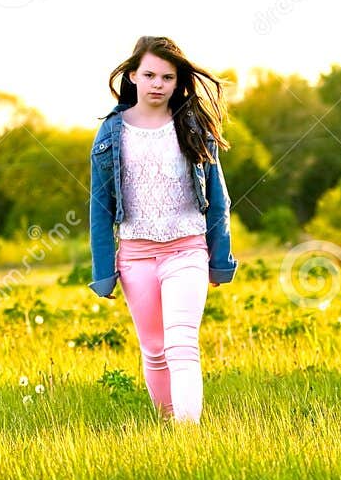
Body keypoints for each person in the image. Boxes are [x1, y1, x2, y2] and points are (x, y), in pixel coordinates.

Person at [88, 35, 238, 425]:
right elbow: (100, 208)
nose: (158, 84)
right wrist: (103, 271)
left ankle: (189, 435)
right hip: (136, 257)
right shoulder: (110, 134)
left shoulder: (192, 126)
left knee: (182, 344)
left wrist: (219, 260)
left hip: (187, 251)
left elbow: (218, 201)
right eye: (150, 74)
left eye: (168, 77)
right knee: (154, 349)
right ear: (133, 75)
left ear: (178, 81)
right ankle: (169, 426)